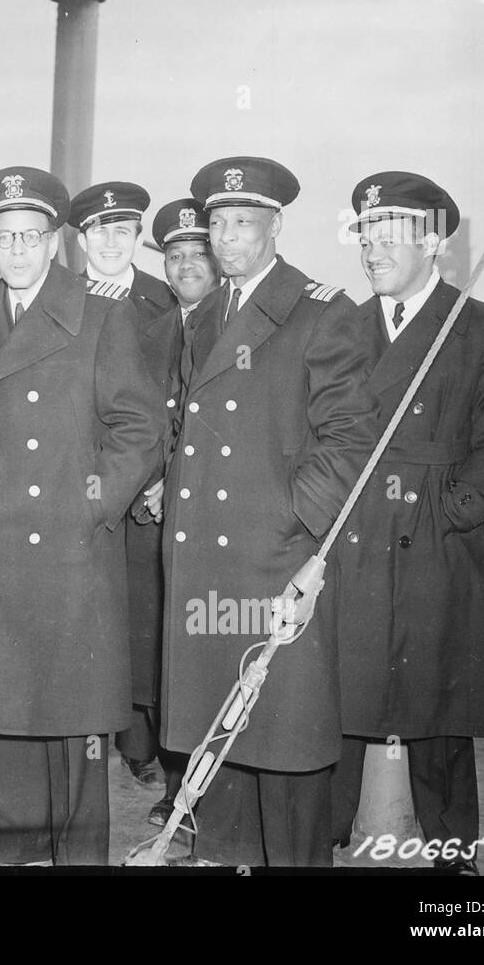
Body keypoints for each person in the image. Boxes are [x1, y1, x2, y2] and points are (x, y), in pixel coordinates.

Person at [158, 156, 378, 868]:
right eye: (217, 224)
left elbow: (350, 438)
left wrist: (294, 531)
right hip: (206, 563)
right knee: (216, 733)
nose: (226, 238)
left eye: (243, 224)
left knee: (283, 740)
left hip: (274, 560)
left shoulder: (321, 310)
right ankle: (220, 857)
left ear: (275, 227)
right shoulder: (203, 316)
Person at [0, 166, 164, 867]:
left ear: (52, 241)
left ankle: (76, 850)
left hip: (69, 539)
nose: (15, 251)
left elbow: (140, 427)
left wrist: (91, 504)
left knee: (72, 712)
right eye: (2, 238)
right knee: (5, 701)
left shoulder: (101, 314)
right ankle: (12, 837)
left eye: (29, 237)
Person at [330, 172, 484, 874]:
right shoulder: (342, 330)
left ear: (434, 241)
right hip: (352, 538)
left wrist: (453, 512)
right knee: (343, 695)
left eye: (387, 234)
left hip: (437, 546)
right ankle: (325, 838)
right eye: (364, 233)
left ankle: (452, 855)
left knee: (442, 704)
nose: (370, 249)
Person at [68, 181, 177, 792]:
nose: (109, 242)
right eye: (97, 231)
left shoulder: (167, 300)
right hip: (75, 486)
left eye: (122, 231)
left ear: (138, 239)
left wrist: (159, 478)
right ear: (79, 239)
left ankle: (139, 743)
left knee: (141, 614)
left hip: (145, 485)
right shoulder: (56, 297)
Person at [141, 196, 220, 827]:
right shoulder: (155, 330)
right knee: (175, 656)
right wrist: (152, 480)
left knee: (219, 652)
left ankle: (217, 793)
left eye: (198, 253)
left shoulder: (239, 327)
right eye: (175, 255)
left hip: (222, 516)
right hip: (165, 516)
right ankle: (178, 788)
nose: (186, 264)